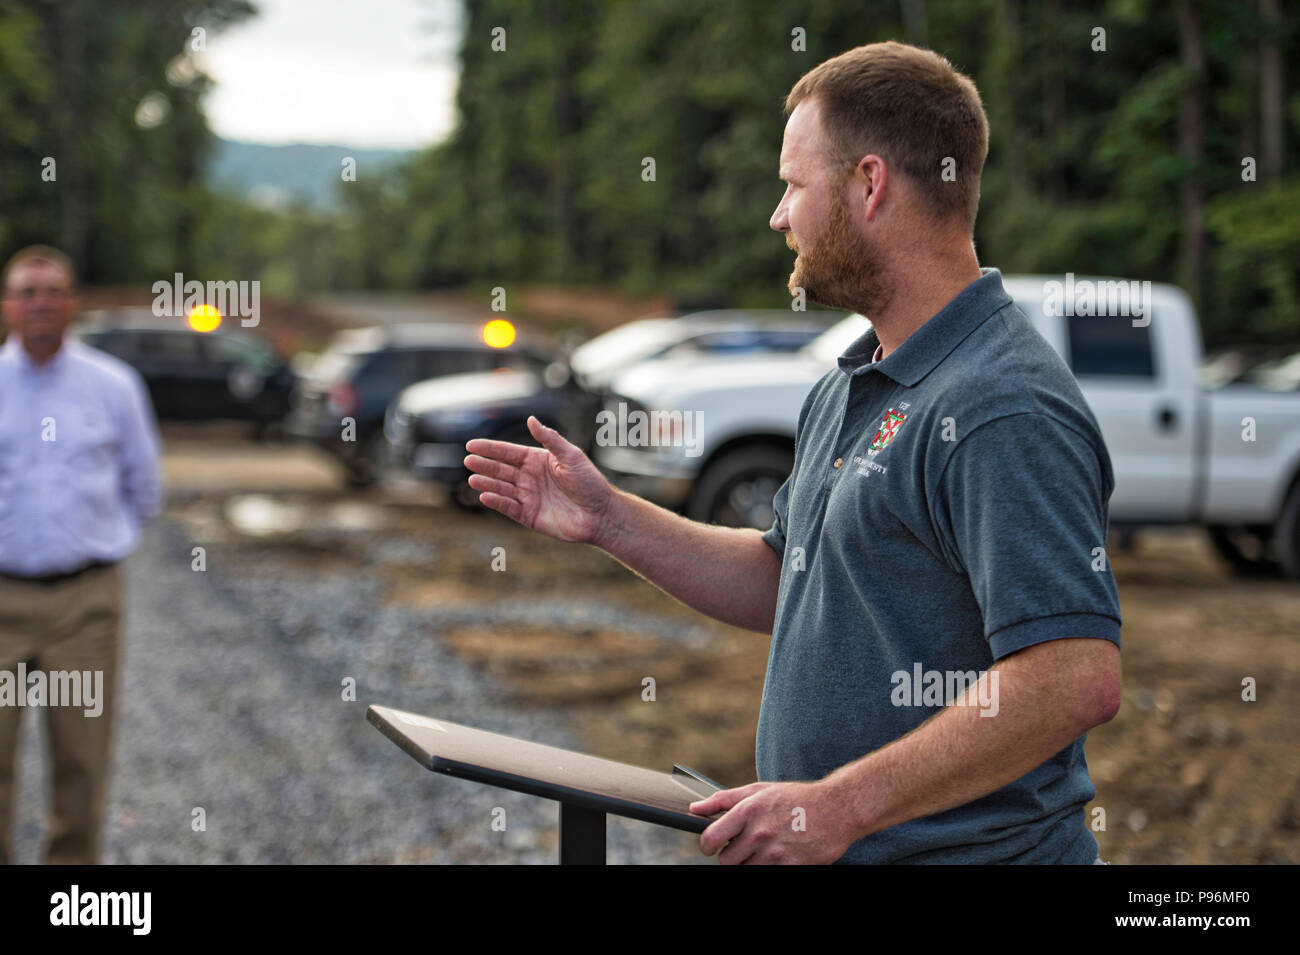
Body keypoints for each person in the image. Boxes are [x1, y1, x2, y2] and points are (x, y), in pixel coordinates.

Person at [463, 41, 1121, 865]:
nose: (778, 217)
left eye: (793, 185)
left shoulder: (1001, 403)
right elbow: (789, 576)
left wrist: (838, 806)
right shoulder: (850, 382)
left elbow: (1071, 677)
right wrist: (607, 518)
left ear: (869, 184)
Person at [0, 245, 162, 864]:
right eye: (27, 291)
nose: (40, 303)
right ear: (8, 305)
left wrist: (90, 544)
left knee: (81, 765)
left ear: (73, 303)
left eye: (53, 291)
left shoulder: (113, 386)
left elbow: (143, 490)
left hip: (84, 605)